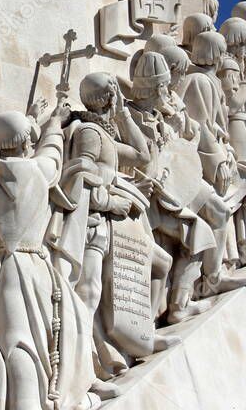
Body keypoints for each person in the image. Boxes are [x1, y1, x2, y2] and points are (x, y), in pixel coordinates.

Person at [62, 72, 180, 397]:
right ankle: (82, 375)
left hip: (106, 226)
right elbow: (78, 176)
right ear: (111, 96)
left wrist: (122, 114)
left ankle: (144, 332)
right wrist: (111, 199)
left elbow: (142, 156)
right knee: (86, 297)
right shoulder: (88, 133)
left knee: (158, 265)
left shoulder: (100, 133)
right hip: (92, 226)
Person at [0, 104, 94, 410]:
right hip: (34, 266)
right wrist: (52, 121)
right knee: (50, 336)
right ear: (27, 143)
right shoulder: (39, 170)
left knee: (14, 340)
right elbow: (51, 149)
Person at [124, 53, 246, 324]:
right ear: (156, 88)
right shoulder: (131, 117)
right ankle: (180, 304)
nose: (170, 91)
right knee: (201, 233)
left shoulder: (162, 111)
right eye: (165, 86)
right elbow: (145, 163)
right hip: (160, 198)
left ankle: (213, 279)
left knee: (220, 211)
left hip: (180, 183)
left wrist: (182, 130)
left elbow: (190, 139)